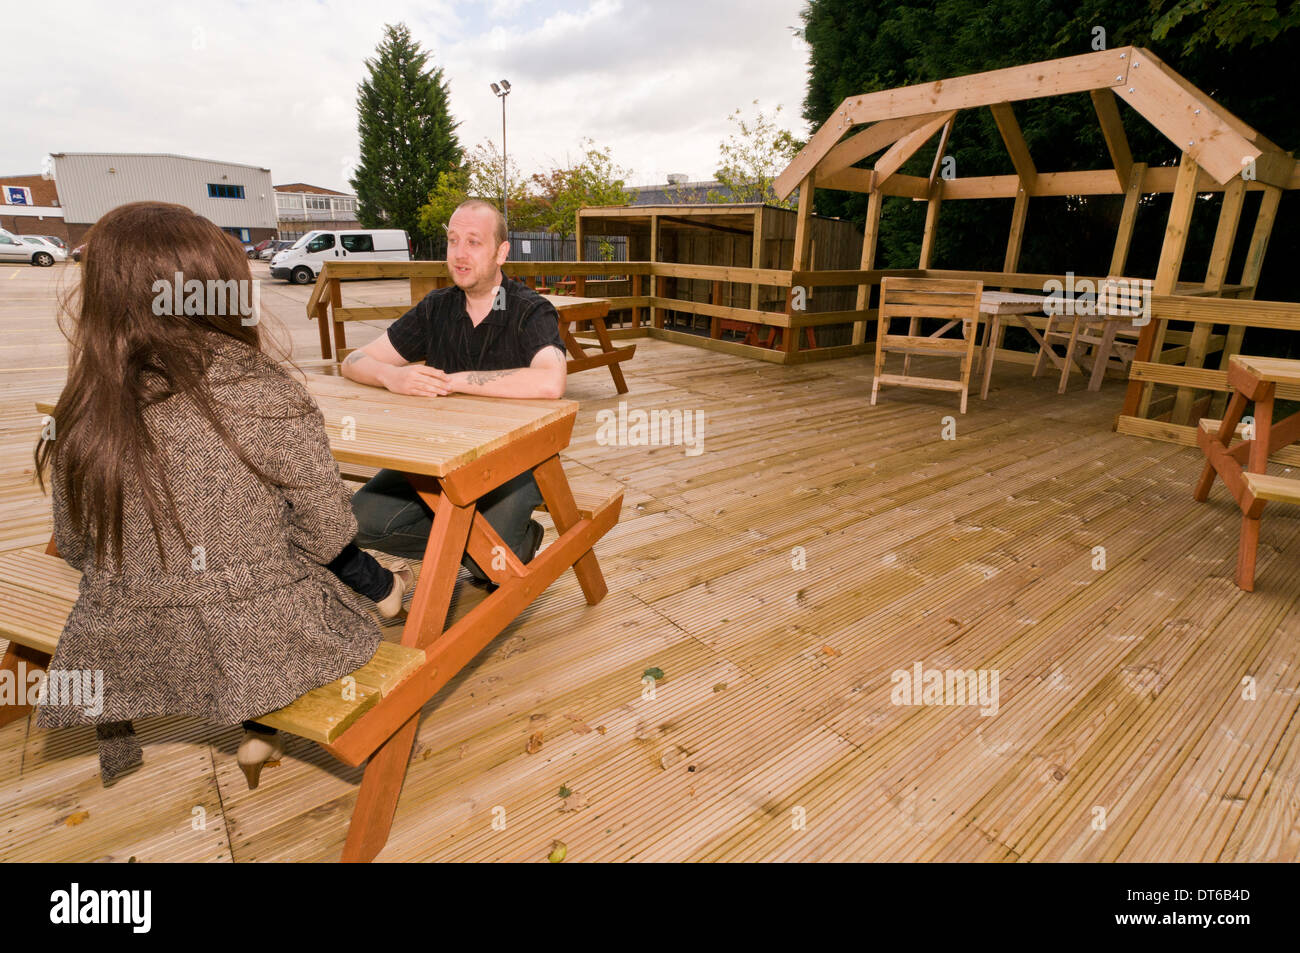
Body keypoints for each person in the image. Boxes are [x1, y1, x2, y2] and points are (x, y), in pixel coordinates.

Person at [33, 201, 405, 789]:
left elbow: (78, 545)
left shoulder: (84, 405)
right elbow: (328, 530)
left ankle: (260, 725)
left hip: (131, 638)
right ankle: (269, 712)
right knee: (310, 558)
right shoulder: (255, 388)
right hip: (266, 635)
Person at [340, 199, 567, 585]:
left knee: (488, 568)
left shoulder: (530, 310)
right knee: (353, 524)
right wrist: (390, 377)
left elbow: (550, 382)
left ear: (501, 252)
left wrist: (452, 380)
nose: (459, 254)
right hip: (436, 456)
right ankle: (467, 539)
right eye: (452, 240)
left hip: (512, 459)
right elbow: (354, 360)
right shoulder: (437, 308)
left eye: (474, 242)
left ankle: (515, 540)